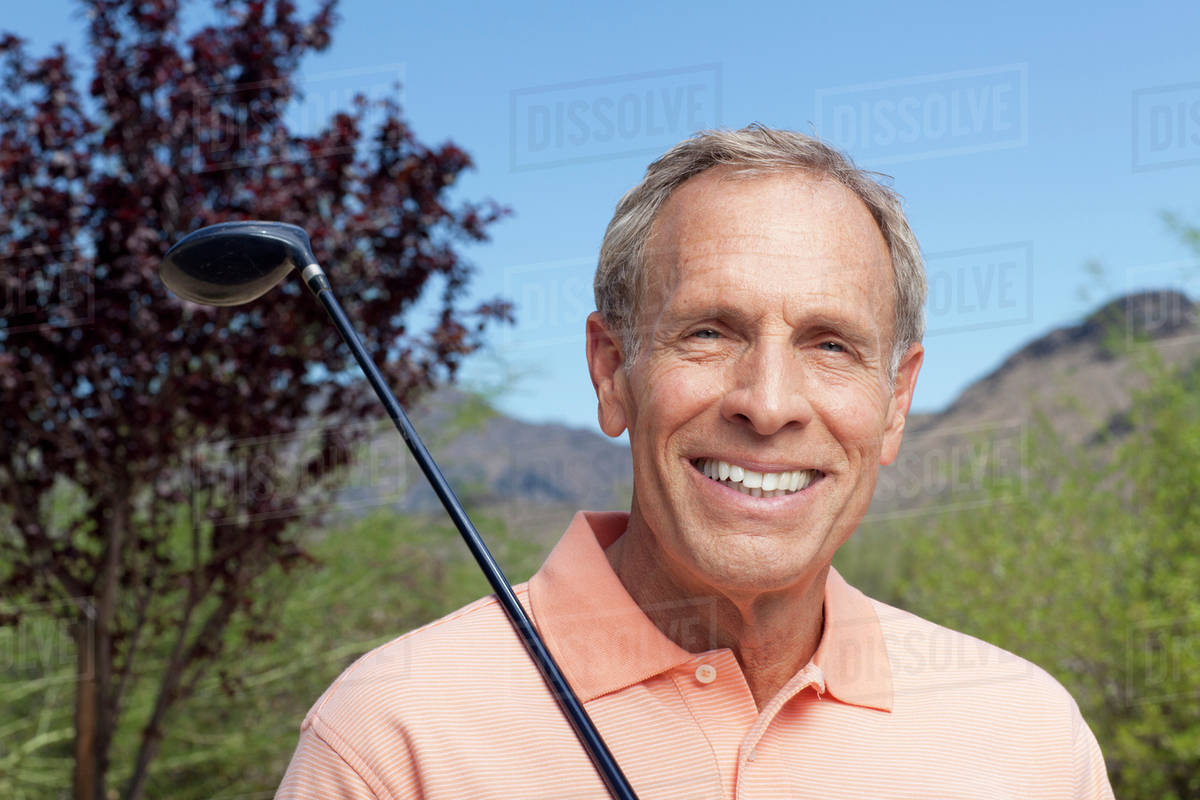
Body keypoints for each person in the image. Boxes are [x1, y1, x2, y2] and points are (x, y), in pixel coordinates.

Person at [275, 125, 1115, 799]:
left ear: (896, 402)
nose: (769, 403)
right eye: (709, 331)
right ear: (612, 372)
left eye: (831, 344)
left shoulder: (1033, 739)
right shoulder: (393, 737)